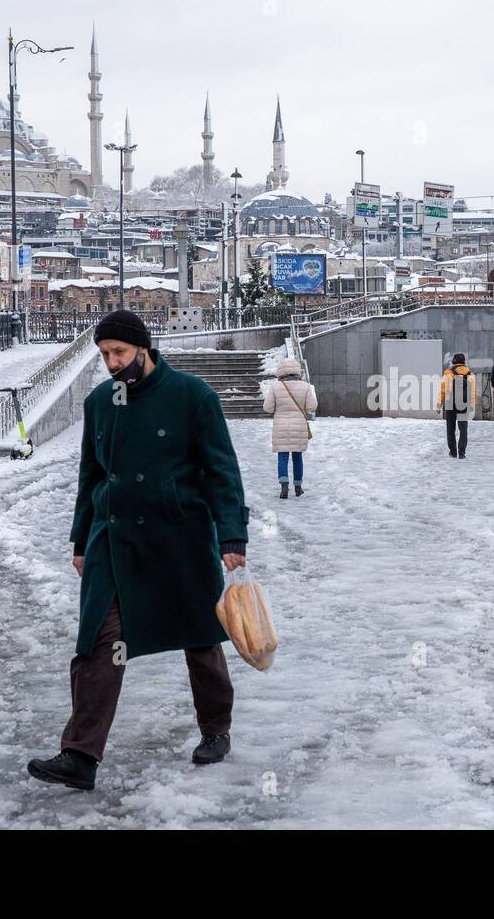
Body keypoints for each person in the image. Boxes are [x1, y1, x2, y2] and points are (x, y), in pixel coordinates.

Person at [27, 309, 250, 791]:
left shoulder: (193, 397)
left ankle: (216, 730)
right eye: (104, 354)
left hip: (181, 538)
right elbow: (91, 476)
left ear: (143, 349)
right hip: (114, 540)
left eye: (119, 353)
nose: (111, 363)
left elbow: (222, 472)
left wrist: (232, 535)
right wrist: (82, 539)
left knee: (200, 636)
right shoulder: (100, 404)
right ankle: (79, 755)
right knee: (97, 643)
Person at [263, 356, 317, 498]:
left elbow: (267, 408)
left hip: (281, 426)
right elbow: (312, 406)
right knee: (297, 456)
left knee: (283, 456)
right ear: (297, 371)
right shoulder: (305, 386)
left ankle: (284, 486)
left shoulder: (276, 387)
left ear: (281, 372)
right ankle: (298, 487)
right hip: (298, 425)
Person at [436, 351, 478, 458]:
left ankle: (453, 452)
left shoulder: (448, 373)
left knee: (450, 429)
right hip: (463, 404)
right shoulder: (470, 374)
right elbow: (473, 392)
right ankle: (462, 453)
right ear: (464, 362)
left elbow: (443, 390)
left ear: (454, 361)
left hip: (450, 403)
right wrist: (472, 405)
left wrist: (439, 403)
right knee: (463, 429)